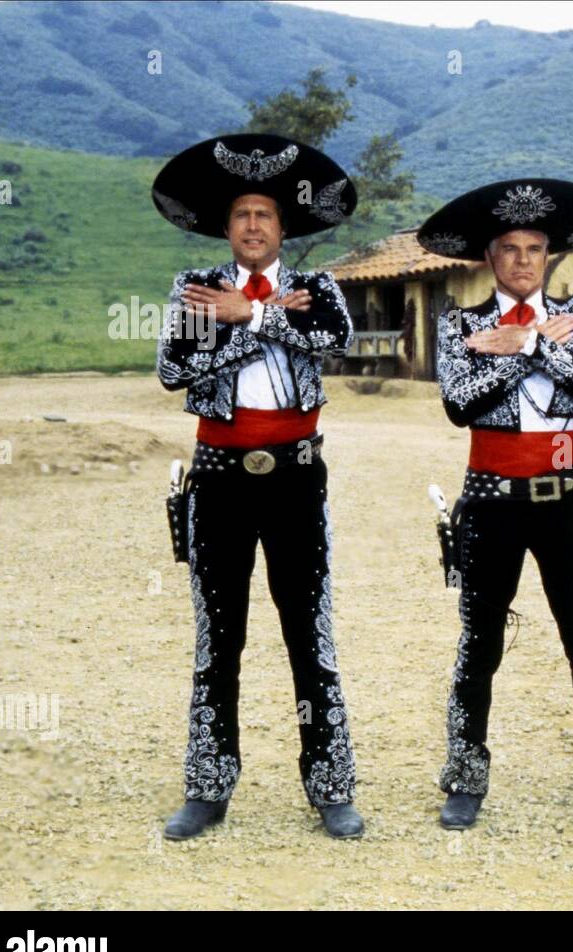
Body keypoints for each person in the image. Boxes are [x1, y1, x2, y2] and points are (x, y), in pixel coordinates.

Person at [152, 133, 364, 839]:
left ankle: (331, 786)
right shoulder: (192, 290)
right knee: (220, 636)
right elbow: (173, 369)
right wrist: (249, 323)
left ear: (282, 227)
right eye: (240, 214)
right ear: (225, 226)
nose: (251, 225)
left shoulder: (318, 289)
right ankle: (208, 787)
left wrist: (259, 314)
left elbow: (337, 340)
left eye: (264, 215)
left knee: (312, 632)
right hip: (218, 482)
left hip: (298, 479)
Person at [417, 178, 573, 829]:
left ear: (549, 256)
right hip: (490, 499)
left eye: (533, 248)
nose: (521, 259)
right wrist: (529, 348)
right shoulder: (460, 323)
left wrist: (531, 343)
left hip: (564, 499)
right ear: (490, 256)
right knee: (479, 642)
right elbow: (461, 404)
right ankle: (464, 777)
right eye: (508, 248)